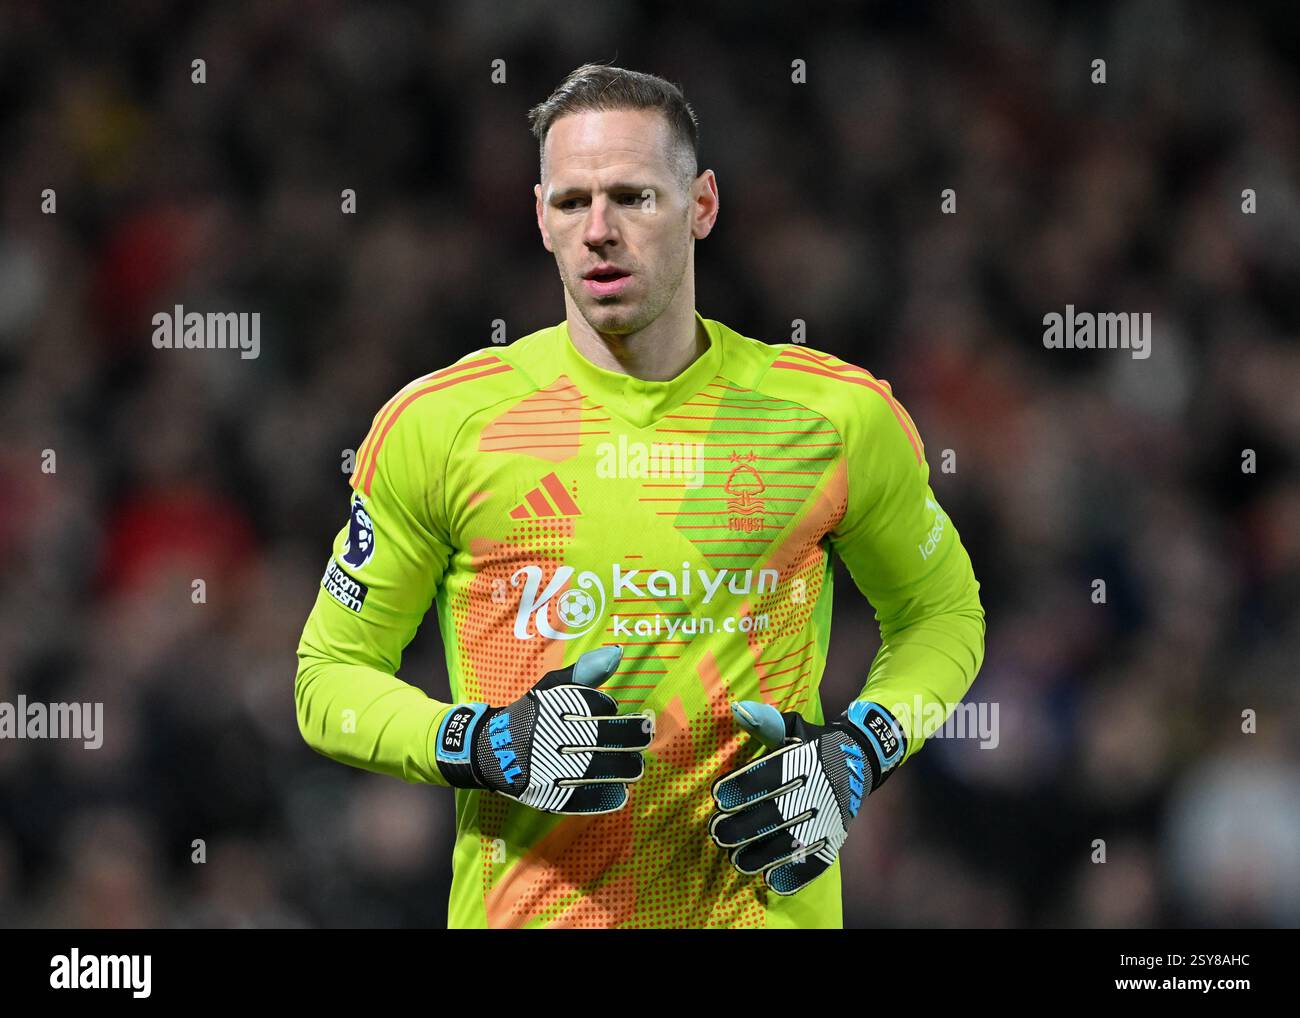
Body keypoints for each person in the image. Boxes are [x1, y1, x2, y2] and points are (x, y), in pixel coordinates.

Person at [295, 62, 985, 929]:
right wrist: (478, 744)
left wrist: (862, 747)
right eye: (571, 202)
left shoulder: (833, 417)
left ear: (701, 205)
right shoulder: (441, 427)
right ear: (538, 217)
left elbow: (944, 613)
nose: (600, 232)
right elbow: (327, 681)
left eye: (633, 197)